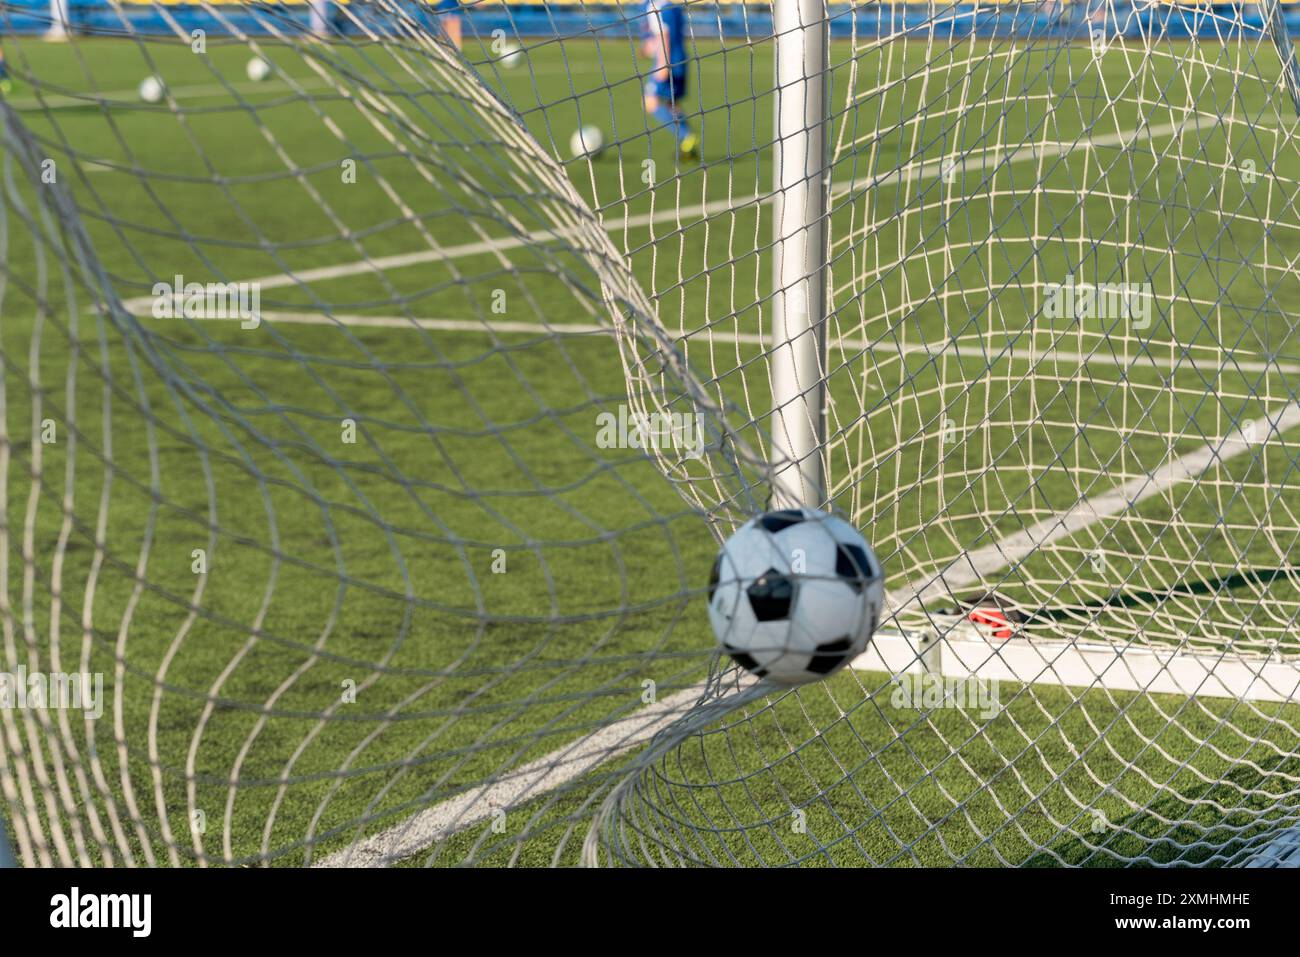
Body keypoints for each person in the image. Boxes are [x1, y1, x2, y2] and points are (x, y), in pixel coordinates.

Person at [641, 0, 697, 160]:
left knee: (650, 102)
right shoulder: (671, 5)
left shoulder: (654, 7)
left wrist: (662, 65)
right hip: (680, 58)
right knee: (672, 104)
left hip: (666, 61)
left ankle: (687, 137)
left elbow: (663, 36)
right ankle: (688, 147)